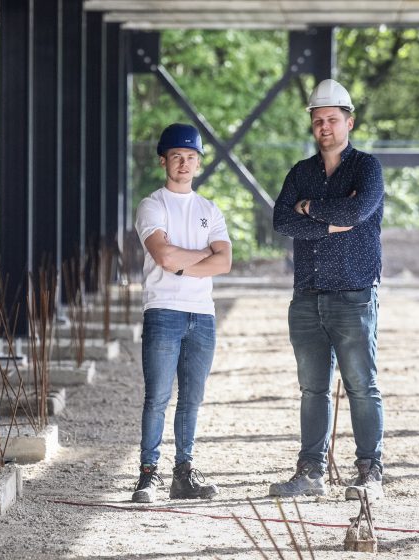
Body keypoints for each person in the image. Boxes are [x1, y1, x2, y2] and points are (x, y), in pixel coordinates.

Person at [270, 79, 386, 502]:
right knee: (312, 388)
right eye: (318, 120)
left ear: (349, 122)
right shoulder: (300, 172)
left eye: (332, 119)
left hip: (354, 293)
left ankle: (370, 470)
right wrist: (328, 219)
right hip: (307, 294)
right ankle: (309, 472)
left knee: (361, 385)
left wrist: (311, 209)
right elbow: (282, 221)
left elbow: (357, 210)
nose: (325, 127)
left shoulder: (367, 168)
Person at [131, 123, 232, 503]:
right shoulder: (152, 205)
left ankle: (183, 474)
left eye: (191, 157)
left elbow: (225, 263)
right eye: (177, 157)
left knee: (192, 398)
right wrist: (202, 255)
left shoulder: (209, 209)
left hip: (202, 315)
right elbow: (162, 254)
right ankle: (147, 475)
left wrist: (181, 261)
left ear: (198, 162)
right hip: (163, 311)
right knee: (157, 397)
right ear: (164, 161)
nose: (184, 164)